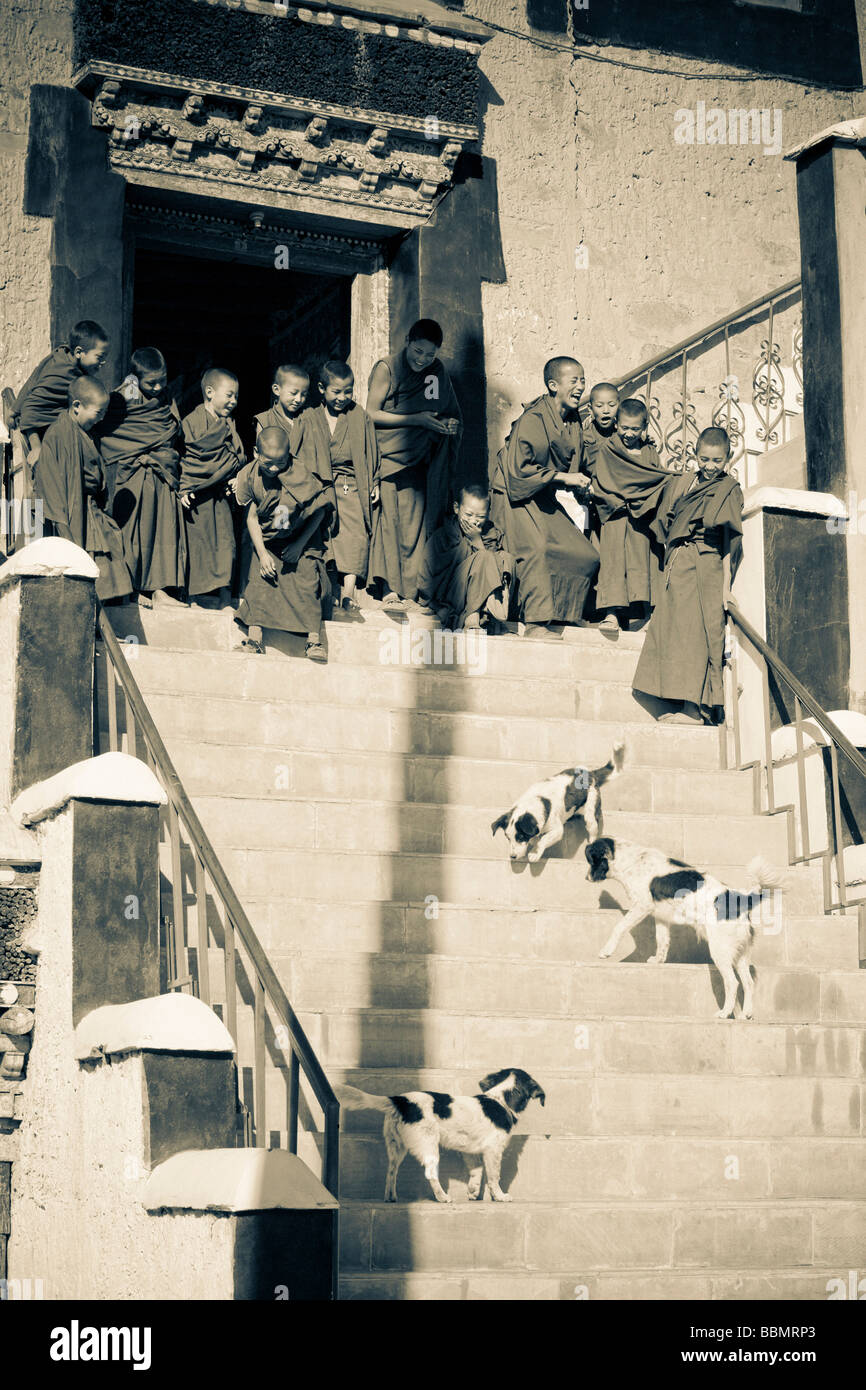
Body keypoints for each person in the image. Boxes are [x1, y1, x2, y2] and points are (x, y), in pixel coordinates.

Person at [632, 426, 743, 725]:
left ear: (728, 459)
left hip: (706, 564)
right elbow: (667, 520)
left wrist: (725, 587)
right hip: (679, 562)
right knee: (674, 632)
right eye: (704, 459)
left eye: (717, 461)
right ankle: (670, 697)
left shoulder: (728, 489)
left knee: (699, 635)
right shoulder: (684, 482)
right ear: (695, 455)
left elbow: (729, 542)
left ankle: (695, 709)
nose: (709, 467)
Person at [489, 356, 599, 638]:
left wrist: (583, 485)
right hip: (514, 495)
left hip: (541, 494)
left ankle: (565, 614)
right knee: (538, 548)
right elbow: (519, 472)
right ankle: (536, 624)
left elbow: (577, 461)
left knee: (583, 553)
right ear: (553, 385)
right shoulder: (533, 418)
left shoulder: (572, 419)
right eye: (573, 380)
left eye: (583, 380)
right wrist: (565, 479)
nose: (580, 386)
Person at [367, 319, 462, 609]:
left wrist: (447, 424)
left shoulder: (437, 371)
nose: (422, 360)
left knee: (414, 527)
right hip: (390, 456)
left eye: (430, 355)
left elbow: (447, 411)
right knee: (389, 524)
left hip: (422, 459)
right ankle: (388, 590)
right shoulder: (387, 367)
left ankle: (412, 590)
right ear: (407, 340)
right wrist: (416, 419)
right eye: (417, 351)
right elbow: (370, 413)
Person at [233, 425, 334, 661]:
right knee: (259, 580)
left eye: (281, 462)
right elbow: (252, 518)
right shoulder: (248, 476)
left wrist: (299, 545)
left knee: (308, 581)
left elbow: (319, 511)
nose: (275, 468)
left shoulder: (299, 472)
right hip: (269, 543)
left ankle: (313, 642)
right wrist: (263, 553)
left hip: (303, 540)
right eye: (268, 462)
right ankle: (255, 639)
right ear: (256, 452)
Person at [96, 347, 187, 606]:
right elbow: (107, 432)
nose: (158, 387)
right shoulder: (123, 397)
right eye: (151, 382)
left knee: (162, 530)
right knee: (132, 532)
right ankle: (132, 589)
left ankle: (159, 589)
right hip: (133, 472)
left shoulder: (166, 397)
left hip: (162, 472)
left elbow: (172, 429)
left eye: (162, 379)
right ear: (135, 377)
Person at [32, 377, 132, 602]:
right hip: (73, 512)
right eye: (98, 412)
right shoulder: (59, 435)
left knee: (109, 563)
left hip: (91, 511)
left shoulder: (86, 432)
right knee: (86, 570)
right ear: (77, 406)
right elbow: (51, 484)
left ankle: (98, 618)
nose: (102, 418)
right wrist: (64, 528)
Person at [583, 392, 671, 634]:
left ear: (644, 426)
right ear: (616, 424)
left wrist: (646, 501)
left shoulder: (650, 452)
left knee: (645, 562)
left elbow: (658, 480)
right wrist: (617, 501)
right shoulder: (609, 448)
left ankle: (650, 614)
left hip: (642, 519)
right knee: (613, 563)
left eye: (634, 429)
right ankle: (611, 615)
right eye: (623, 428)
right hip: (616, 516)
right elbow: (600, 481)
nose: (629, 434)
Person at [296, 361, 379, 613]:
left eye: (348, 391)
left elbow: (372, 452)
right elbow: (298, 453)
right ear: (321, 389)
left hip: (351, 485)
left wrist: (374, 481)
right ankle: (329, 589)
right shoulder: (309, 417)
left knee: (354, 535)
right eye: (336, 392)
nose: (343, 397)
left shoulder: (359, 416)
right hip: (320, 487)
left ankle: (349, 592)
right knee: (325, 537)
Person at [181, 369, 244, 608]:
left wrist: (237, 477)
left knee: (227, 545)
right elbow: (187, 459)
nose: (233, 401)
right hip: (198, 498)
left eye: (236, 396)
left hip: (221, 497)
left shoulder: (229, 425)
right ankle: (195, 596)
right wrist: (184, 487)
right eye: (229, 395)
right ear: (209, 392)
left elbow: (237, 457)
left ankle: (226, 597)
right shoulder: (191, 422)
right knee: (198, 545)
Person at [14, 320, 110, 469]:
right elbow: (31, 409)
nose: (103, 362)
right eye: (99, 356)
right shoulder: (61, 372)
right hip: (46, 439)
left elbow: (32, 382)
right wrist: (36, 447)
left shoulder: (62, 355)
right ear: (79, 352)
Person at [417, 483, 513, 631]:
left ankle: (488, 616)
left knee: (505, 558)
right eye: (468, 514)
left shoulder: (492, 534)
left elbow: (494, 569)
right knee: (485, 557)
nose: (474, 521)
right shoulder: (443, 536)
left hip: (484, 599)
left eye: (481, 516)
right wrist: (434, 604)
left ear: (488, 513)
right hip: (451, 595)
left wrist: (477, 541)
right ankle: (472, 618)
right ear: (456, 508)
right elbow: (425, 578)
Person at [254, 364, 310, 452]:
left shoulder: (308, 417)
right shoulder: (265, 420)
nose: (298, 399)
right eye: (293, 393)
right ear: (277, 390)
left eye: (303, 395)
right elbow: (262, 456)